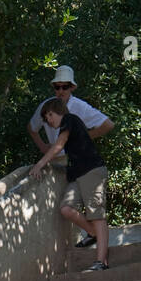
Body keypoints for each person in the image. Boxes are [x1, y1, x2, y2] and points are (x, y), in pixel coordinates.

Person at [27, 65, 113, 248]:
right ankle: (93, 234)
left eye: (64, 87)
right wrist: (42, 146)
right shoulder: (47, 106)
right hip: (59, 163)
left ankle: (101, 257)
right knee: (68, 208)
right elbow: (32, 128)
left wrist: (81, 136)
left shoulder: (79, 107)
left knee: (94, 210)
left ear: (72, 87)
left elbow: (108, 125)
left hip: (79, 163)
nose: (60, 91)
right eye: (56, 87)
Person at [30, 96, 110, 270]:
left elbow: (59, 145)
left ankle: (101, 262)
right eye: (45, 118)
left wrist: (40, 164)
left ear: (57, 111)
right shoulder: (67, 125)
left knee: (96, 214)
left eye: (49, 116)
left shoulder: (70, 119)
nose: (48, 121)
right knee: (66, 208)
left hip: (92, 171)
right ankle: (94, 233)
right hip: (77, 175)